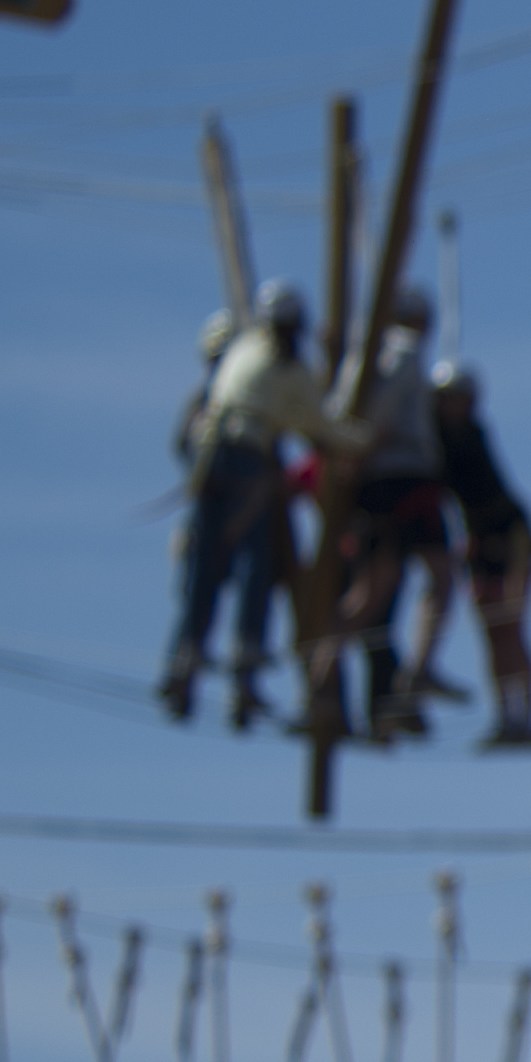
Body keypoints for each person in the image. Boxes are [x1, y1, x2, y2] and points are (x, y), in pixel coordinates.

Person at [162, 284, 354, 730]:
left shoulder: (236, 366)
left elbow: (183, 443)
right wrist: (357, 439)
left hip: (213, 465)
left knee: (204, 574)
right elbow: (314, 423)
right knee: (255, 566)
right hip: (245, 462)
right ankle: (238, 669)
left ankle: (184, 668)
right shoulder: (284, 366)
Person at [332, 284, 461, 742]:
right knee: (438, 578)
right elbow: (376, 412)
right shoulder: (401, 352)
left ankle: (323, 665)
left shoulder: (364, 354)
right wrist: (368, 442)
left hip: (383, 482)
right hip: (405, 480)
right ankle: (416, 670)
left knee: (376, 590)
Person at [423, 361, 531, 752]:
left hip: (510, 537)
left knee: (512, 625)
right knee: (491, 633)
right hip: (479, 542)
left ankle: (527, 718)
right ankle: (505, 717)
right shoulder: (441, 438)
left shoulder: (469, 439)